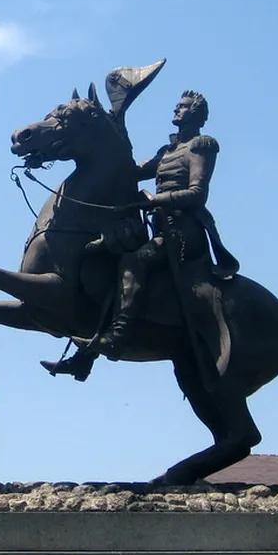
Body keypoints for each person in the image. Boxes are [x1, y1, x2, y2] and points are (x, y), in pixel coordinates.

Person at [85, 89, 238, 358]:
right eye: (177, 105)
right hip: (160, 228)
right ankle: (85, 353)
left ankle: (117, 336)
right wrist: (116, 126)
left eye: (184, 106)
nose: (176, 110)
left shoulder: (201, 145)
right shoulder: (167, 151)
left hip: (183, 231)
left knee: (135, 261)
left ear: (197, 114)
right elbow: (130, 171)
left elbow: (197, 194)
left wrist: (156, 200)